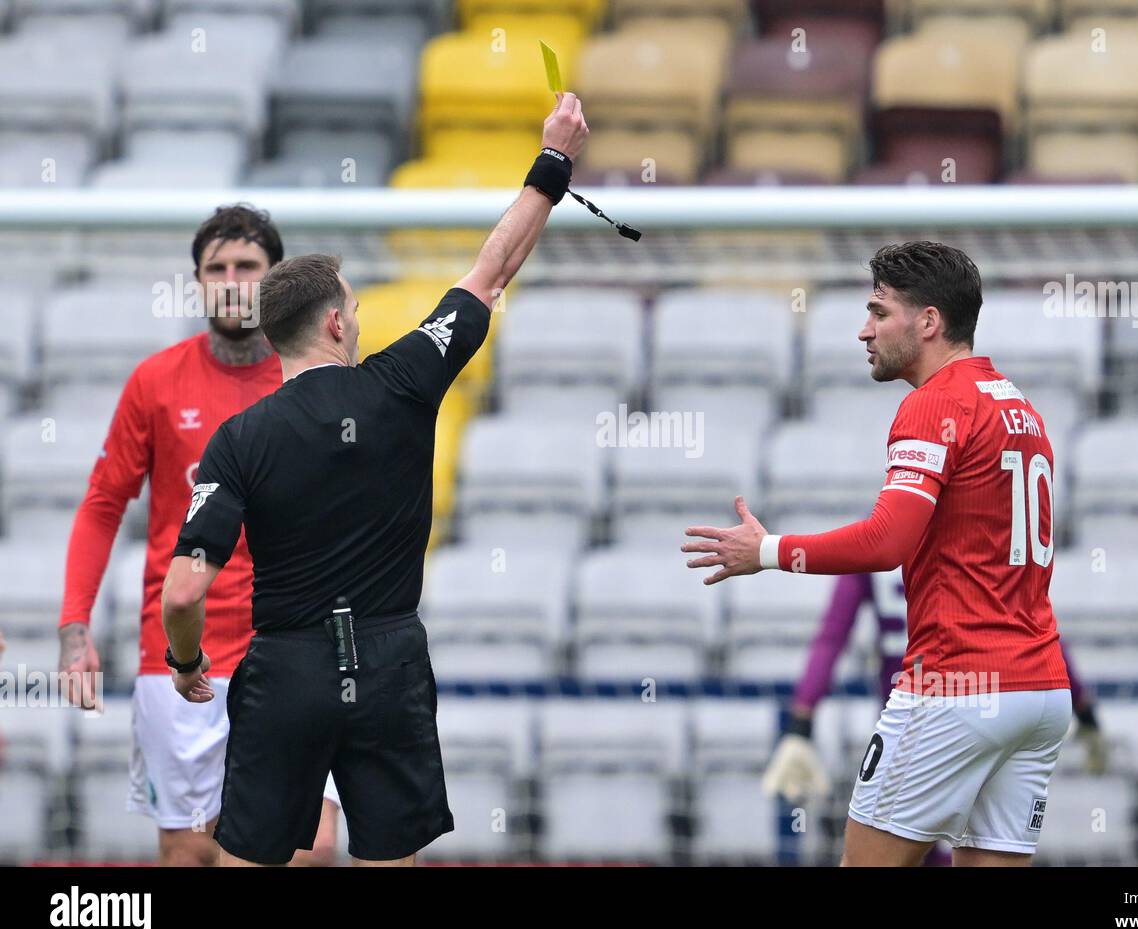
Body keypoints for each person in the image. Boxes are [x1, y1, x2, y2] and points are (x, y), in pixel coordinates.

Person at [159, 92, 590, 867]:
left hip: (284, 665)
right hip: (387, 660)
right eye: (353, 308)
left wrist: (187, 666)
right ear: (333, 324)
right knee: (390, 858)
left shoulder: (239, 438)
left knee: (248, 858)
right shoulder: (402, 382)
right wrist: (553, 161)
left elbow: (184, 591)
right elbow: (492, 272)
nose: (355, 318)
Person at [683, 240, 1073, 866]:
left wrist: (768, 550)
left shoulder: (935, 403)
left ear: (928, 322)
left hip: (956, 685)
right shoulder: (1023, 410)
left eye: (878, 312)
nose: (863, 331)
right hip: (1040, 691)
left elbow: (888, 541)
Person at [56, 205, 341, 866]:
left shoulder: (317, 383)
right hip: (181, 658)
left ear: (275, 282)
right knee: (192, 849)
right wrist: (75, 628)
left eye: (249, 267)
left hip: (296, 649)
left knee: (312, 846)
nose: (233, 281)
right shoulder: (156, 383)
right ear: (198, 282)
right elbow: (103, 506)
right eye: (218, 269)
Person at [761, 571, 1109, 866]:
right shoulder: (969, 538)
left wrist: (802, 718)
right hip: (981, 708)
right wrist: (1084, 708)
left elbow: (831, 637)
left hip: (918, 718)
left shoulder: (880, 541)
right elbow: (1030, 627)